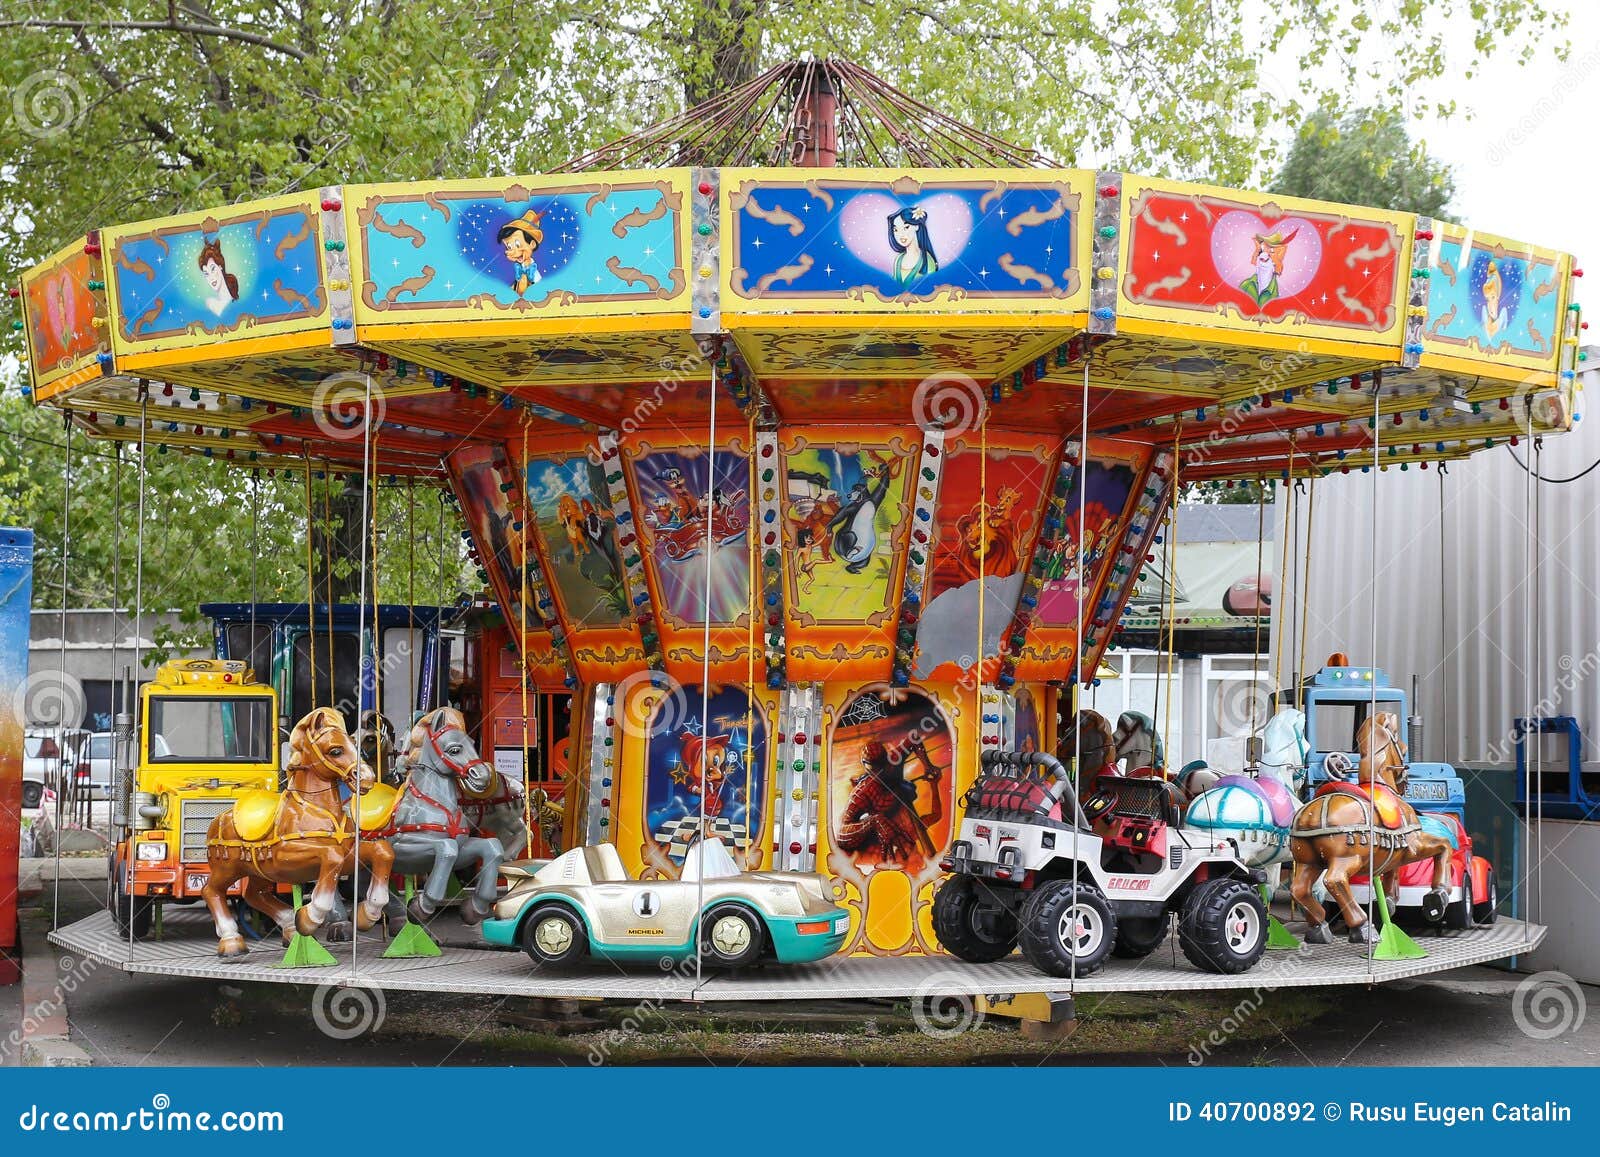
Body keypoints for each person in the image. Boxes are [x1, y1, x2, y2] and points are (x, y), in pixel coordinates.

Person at [836, 737, 944, 863]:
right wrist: (873, 822)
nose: (879, 773)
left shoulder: (894, 761)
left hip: (899, 811)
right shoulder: (861, 794)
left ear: (886, 761)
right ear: (866, 766)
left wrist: (928, 766)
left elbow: (914, 739)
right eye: (874, 769)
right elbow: (842, 835)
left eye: (881, 767)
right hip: (885, 824)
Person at [886, 206, 938, 287]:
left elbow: (931, 289)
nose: (900, 235)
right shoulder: (899, 259)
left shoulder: (927, 261)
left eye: (906, 227)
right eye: (895, 230)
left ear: (916, 226)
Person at [498, 210, 544, 297]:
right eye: (509, 247)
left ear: (532, 244)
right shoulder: (519, 268)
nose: (512, 251)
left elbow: (539, 289)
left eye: (518, 245)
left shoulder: (533, 271)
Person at [197, 238, 239, 315]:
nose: (211, 277)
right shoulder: (211, 303)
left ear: (220, 267)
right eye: (206, 274)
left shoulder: (231, 301)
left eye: (213, 269)